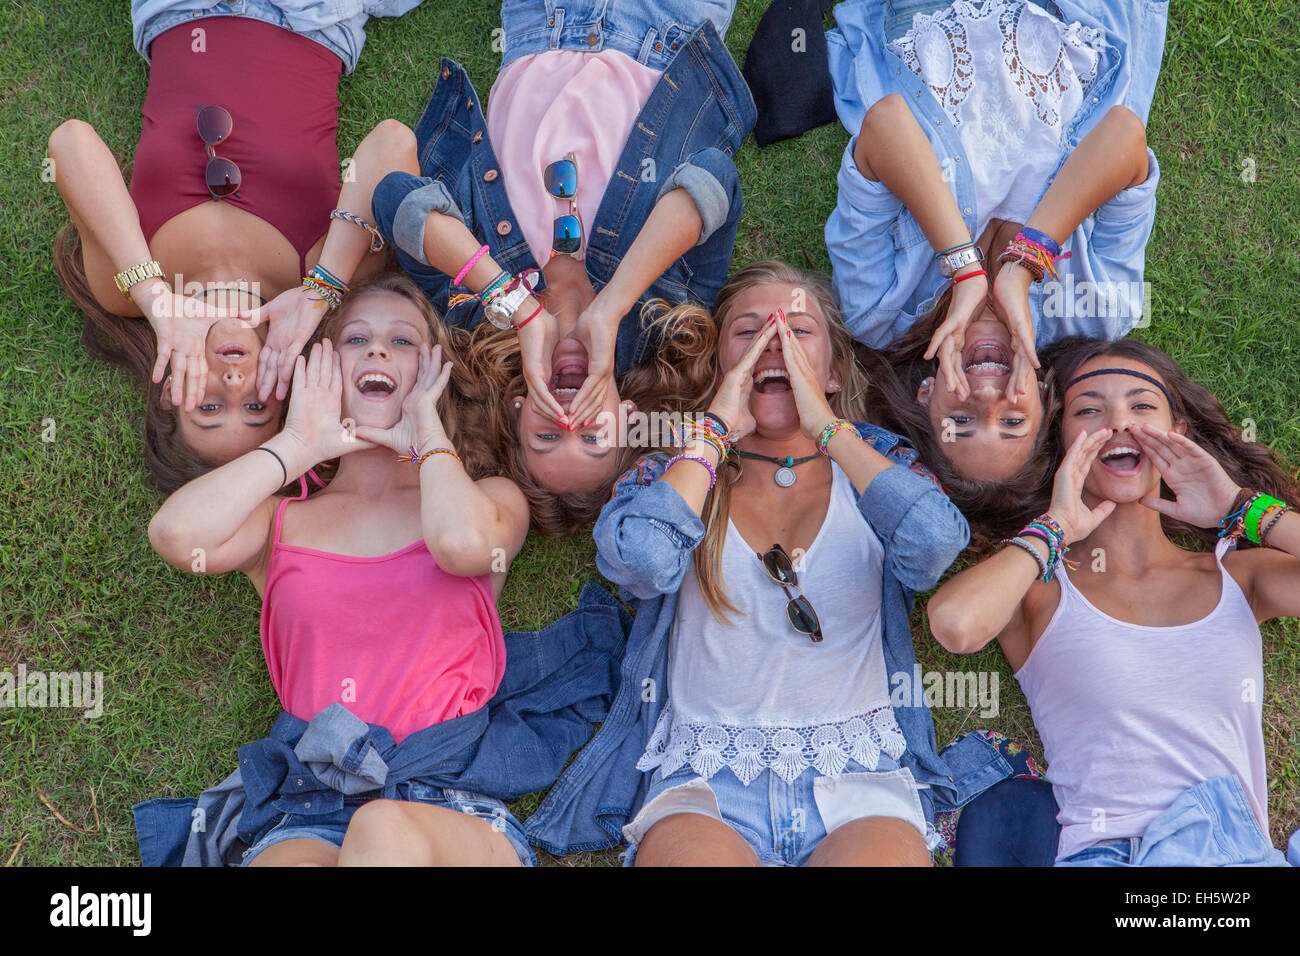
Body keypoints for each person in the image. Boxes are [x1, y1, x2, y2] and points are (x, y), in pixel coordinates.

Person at [521, 261, 1017, 864]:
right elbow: (641, 564)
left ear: (833, 372)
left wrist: (830, 430)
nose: (773, 342)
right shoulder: (674, 473)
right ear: (723, 368)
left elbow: (934, 543)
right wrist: (712, 436)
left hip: (860, 776)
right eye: (749, 331)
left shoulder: (875, 467)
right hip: (705, 782)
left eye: (797, 331)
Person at [143, 275, 553, 865]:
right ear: (320, 373)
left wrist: (428, 435)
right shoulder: (282, 522)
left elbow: (463, 545)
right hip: (315, 802)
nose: (379, 350)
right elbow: (177, 535)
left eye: (404, 342)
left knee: (382, 831)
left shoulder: (487, 497)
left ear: (436, 375)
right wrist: (299, 445)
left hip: (449, 804)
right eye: (355, 339)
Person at [367, 0, 756, 532]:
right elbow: (712, 179)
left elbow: (397, 200)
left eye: (546, 436)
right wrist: (612, 307)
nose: (568, 417)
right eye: (593, 438)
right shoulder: (673, 316)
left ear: (516, 413)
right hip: (664, 26)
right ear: (630, 422)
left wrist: (522, 311)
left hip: (538, 24)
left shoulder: (476, 318)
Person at [926, 336, 1298, 865]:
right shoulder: (1041, 587)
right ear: (1061, 442)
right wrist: (1052, 529)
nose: (1119, 423)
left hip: (1234, 857)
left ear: (1178, 434)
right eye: (1089, 410)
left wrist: (1242, 508)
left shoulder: (1238, 575)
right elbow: (954, 625)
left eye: (1141, 406)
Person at [49, 0, 422, 492]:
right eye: (255, 407)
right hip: (312, 17)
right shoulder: (322, 277)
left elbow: (71, 144)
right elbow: (392, 144)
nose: (233, 384)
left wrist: (156, 297)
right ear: (286, 389)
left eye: (209, 408)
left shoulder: (126, 290)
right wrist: (320, 293)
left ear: (169, 397)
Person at [824, 0, 1167, 517]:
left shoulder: (878, 313)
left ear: (925, 396)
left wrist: (966, 271)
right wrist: (1021, 269)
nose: (987, 400)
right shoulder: (1096, 313)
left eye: (959, 423)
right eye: (1012, 423)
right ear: (1048, 401)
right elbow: (1124, 138)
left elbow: (885, 126)